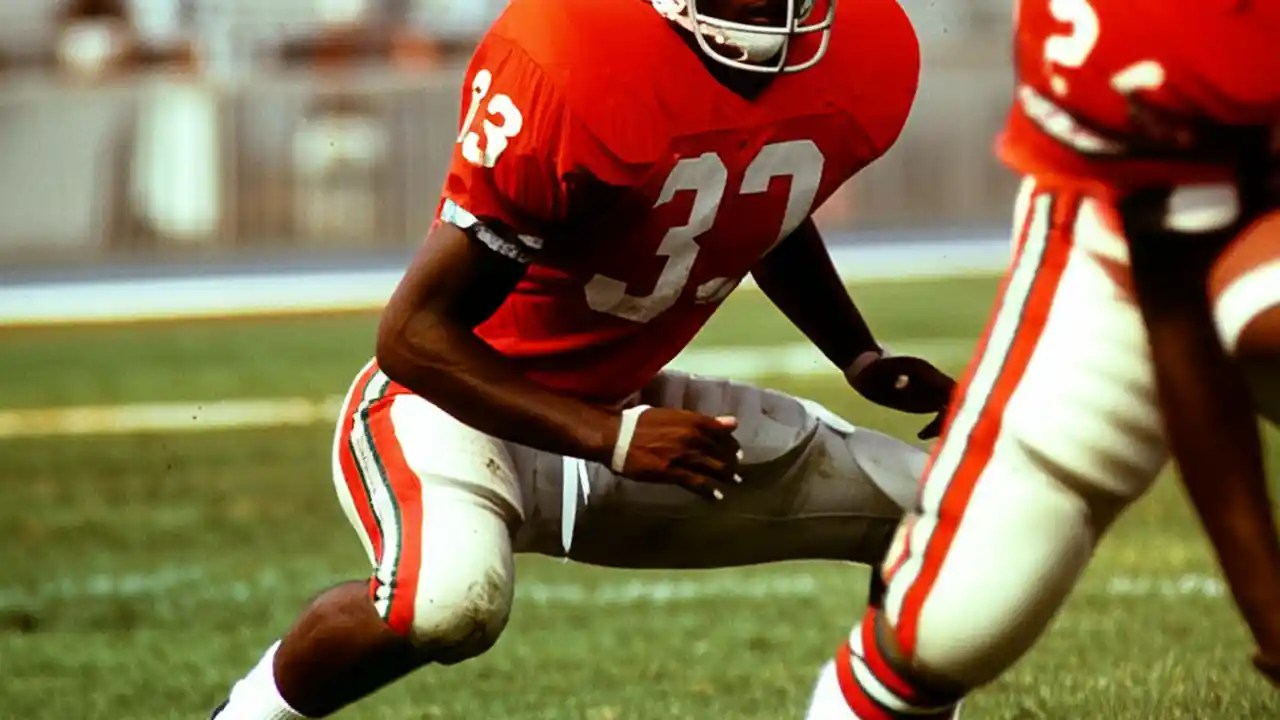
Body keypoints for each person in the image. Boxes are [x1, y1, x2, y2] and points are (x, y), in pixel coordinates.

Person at [211, 0, 956, 717]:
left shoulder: (859, 45)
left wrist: (858, 354)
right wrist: (613, 439)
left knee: (945, 524)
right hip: (459, 408)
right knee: (448, 602)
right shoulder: (576, 56)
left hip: (626, 411)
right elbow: (412, 335)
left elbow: (759, 193)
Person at [804, 1, 1280, 717]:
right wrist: (1270, 617)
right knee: (957, 616)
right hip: (1134, 224)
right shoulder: (1136, 32)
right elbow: (1180, 312)